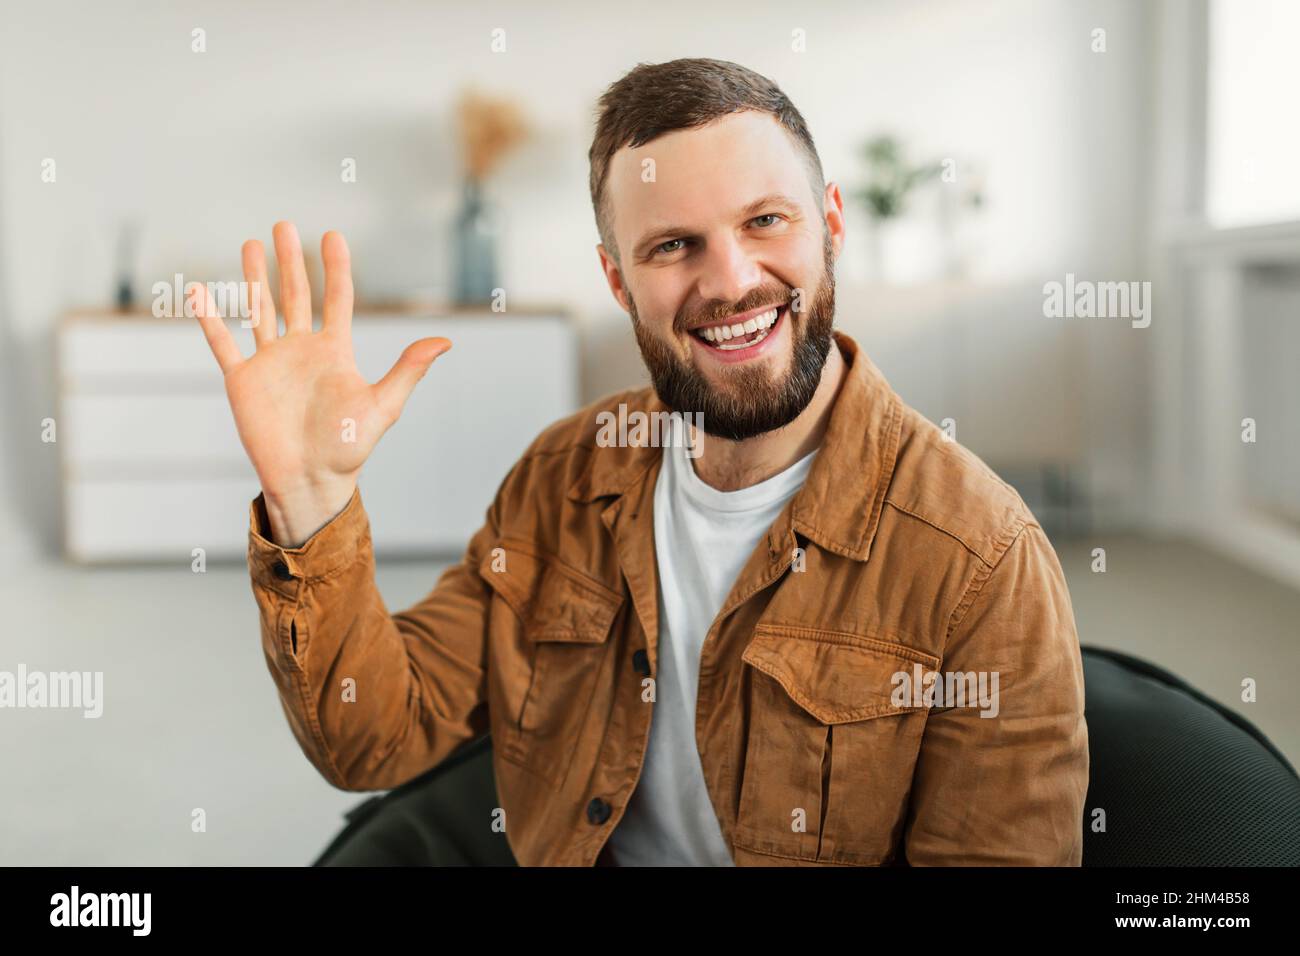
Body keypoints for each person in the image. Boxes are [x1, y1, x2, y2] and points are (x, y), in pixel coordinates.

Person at [191, 57, 1088, 866]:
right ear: (618, 279)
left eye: (765, 221)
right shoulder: (563, 477)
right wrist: (310, 499)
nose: (731, 280)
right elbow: (375, 740)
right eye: (673, 245)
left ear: (831, 224)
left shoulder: (981, 555)